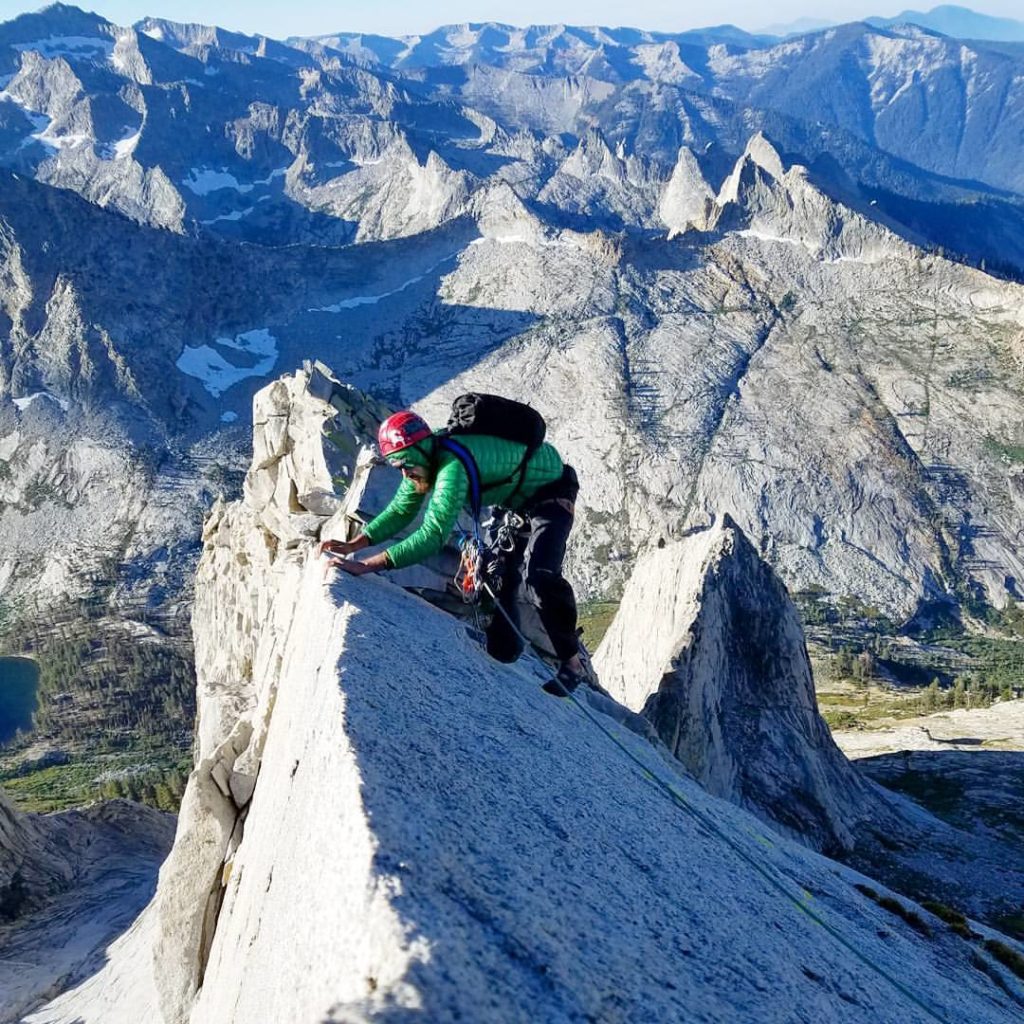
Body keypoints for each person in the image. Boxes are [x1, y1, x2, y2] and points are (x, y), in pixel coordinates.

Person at [320, 410, 586, 696]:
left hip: (553, 493)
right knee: (497, 576)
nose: (404, 472)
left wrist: (366, 566)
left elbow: (432, 536)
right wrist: (355, 545)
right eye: (397, 466)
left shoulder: (451, 467)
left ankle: (572, 665)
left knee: (539, 579)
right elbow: (400, 510)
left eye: (406, 464)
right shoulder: (426, 456)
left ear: (421, 450)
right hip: (517, 504)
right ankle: (505, 651)